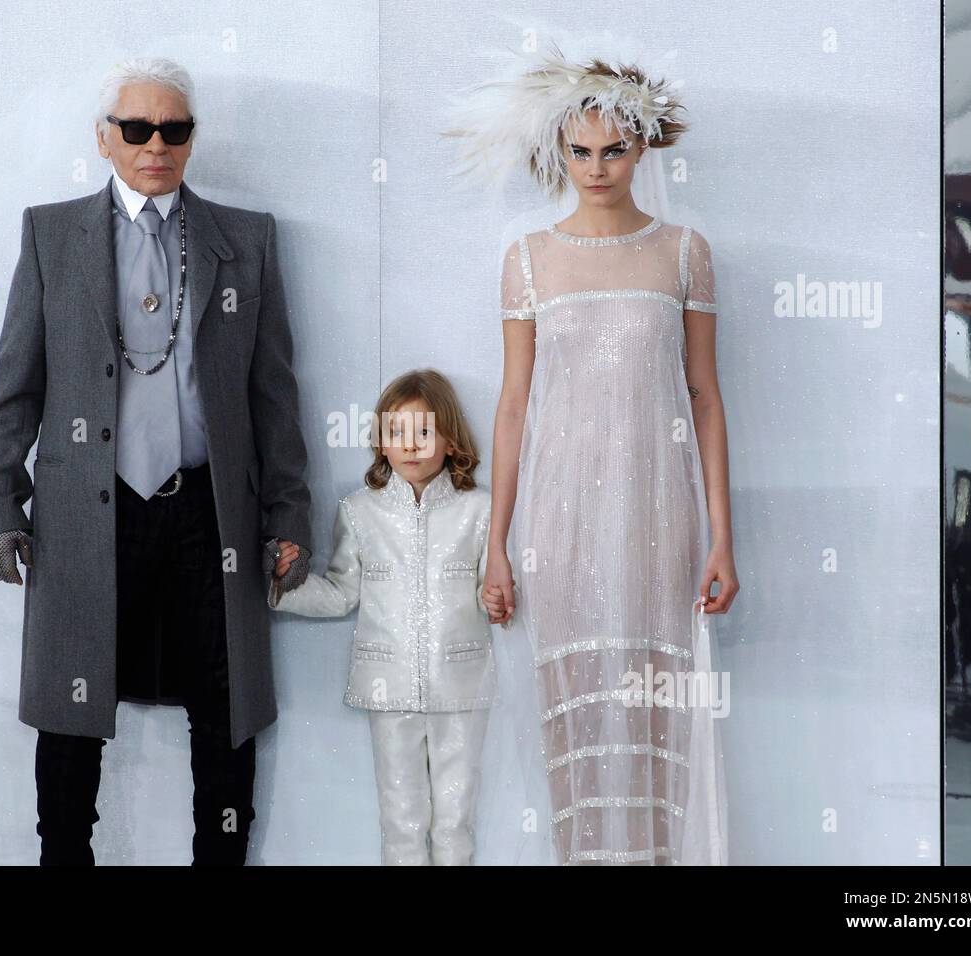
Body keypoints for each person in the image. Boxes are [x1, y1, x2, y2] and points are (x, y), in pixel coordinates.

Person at [0, 57, 312, 865]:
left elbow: (274, 394)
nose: (155, 144)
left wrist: (289, 513)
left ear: (191, 139)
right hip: (88, 507)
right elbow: (16, 384)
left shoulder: (246, 239)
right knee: (70, 707)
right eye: (136, 129)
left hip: (210, 509)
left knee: (223, 704)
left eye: (174, 129)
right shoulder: (51, 234)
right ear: (104, 139)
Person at [451, 47, 737, 865]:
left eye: (613, 149)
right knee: (573, 714)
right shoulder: (528, 260)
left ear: (642, 147)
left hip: (662, 514)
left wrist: (722, 536)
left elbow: (707, 399)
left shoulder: (685, 252)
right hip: (560, 517)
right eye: (580, 151)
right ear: (557, 152)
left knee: (656, 712)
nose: (597, 167)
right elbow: (513, 408)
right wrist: (496, 546)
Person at [269, 369, 498, 864]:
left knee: (456, 820)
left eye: (423, 432)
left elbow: (486, 592)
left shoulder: (479, 511)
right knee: (401, 819)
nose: (410, 445)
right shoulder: (359, 512)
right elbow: (339, 593)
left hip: (461, 684)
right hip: (388, 686)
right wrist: (278, 588)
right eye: (396, 433)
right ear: (380, 442)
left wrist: (497, 598)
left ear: (450, 440)